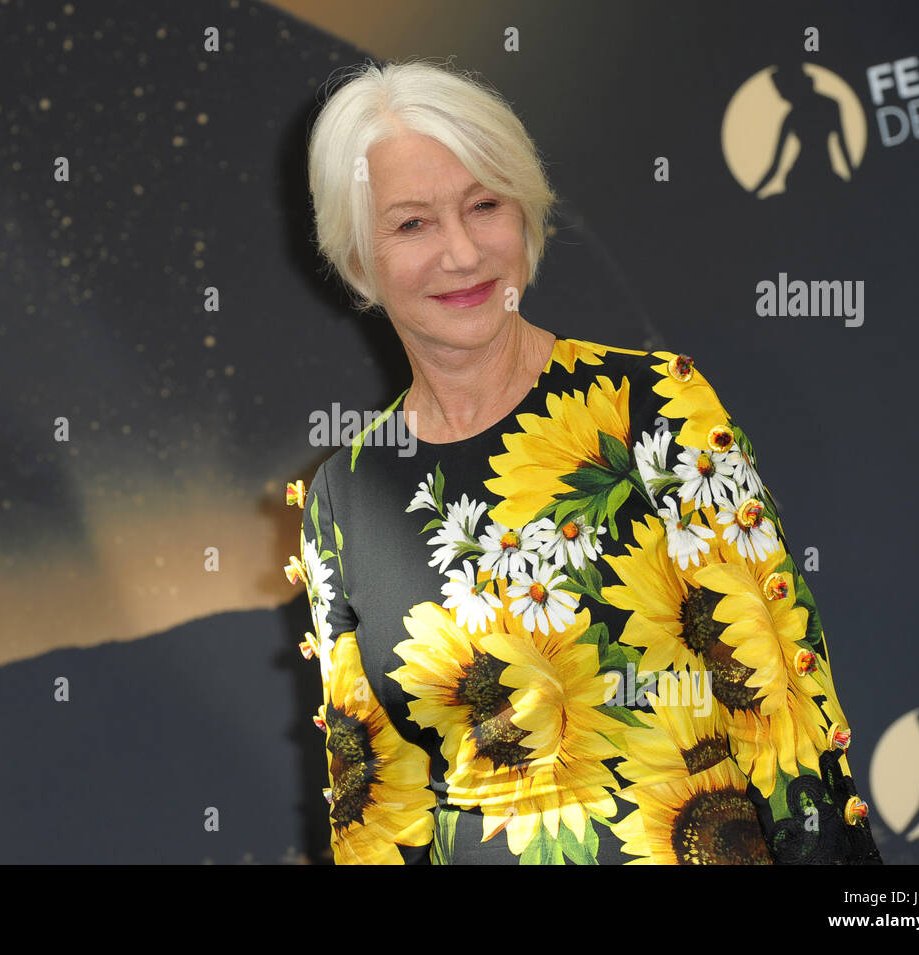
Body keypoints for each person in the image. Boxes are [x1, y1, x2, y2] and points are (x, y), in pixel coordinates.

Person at [284, 57, 882, 865]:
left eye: (483, 206)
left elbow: (785, 715)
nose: (462, 254)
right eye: (412, 223)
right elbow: (374, 807)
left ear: (526, 218)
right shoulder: (341, 498)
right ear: (360, 258)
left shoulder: (652, 408)